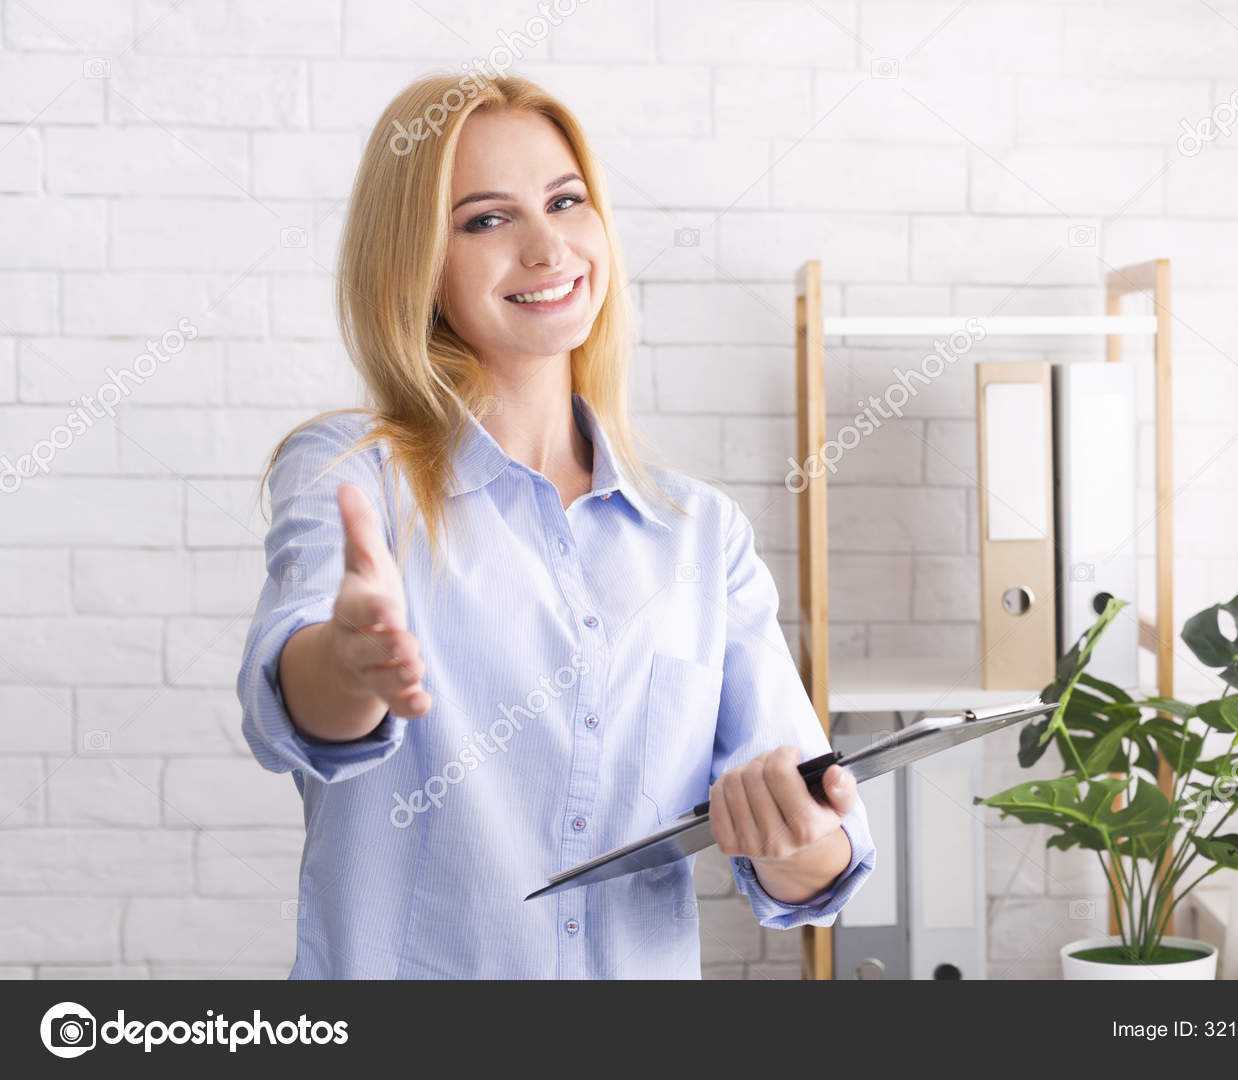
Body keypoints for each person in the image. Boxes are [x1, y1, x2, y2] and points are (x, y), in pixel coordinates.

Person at [236, 72, 874, 979]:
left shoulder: (699, 533)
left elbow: (818, 857)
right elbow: (295, 708)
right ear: (414, 263)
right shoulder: (354, 474)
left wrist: (797, 835)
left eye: (566, 202)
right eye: (485, 220)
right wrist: (350, 662)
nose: (547, 247)